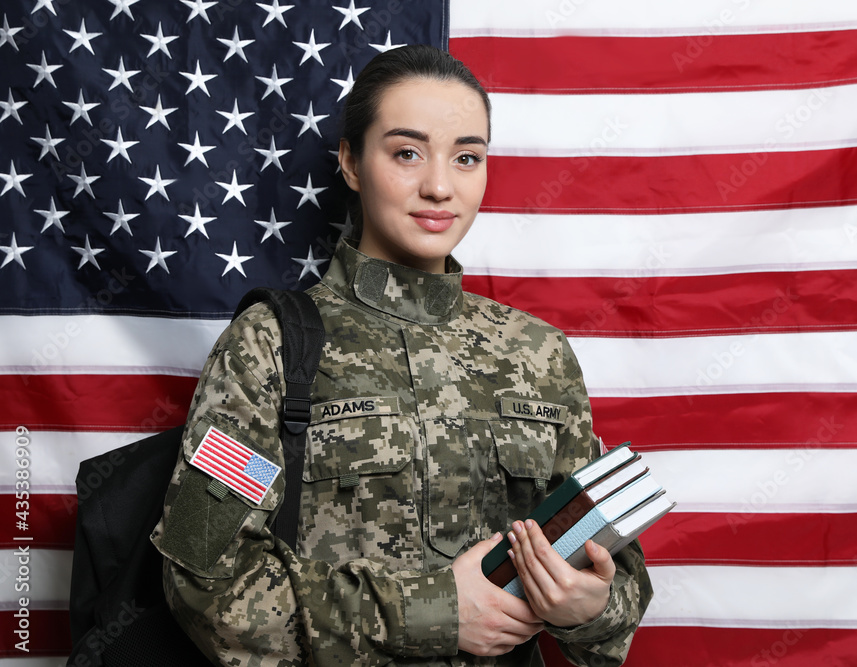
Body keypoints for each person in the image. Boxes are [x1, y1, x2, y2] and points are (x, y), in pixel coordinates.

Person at [152, 44, 651, 666]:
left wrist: (588, 609)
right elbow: (205, 583)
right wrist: (437, 613)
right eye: (407, 153)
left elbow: (616, 570)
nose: (439, 186)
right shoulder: (271, 344)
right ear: (352, 162)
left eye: (467, 157)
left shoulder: (539, 354)